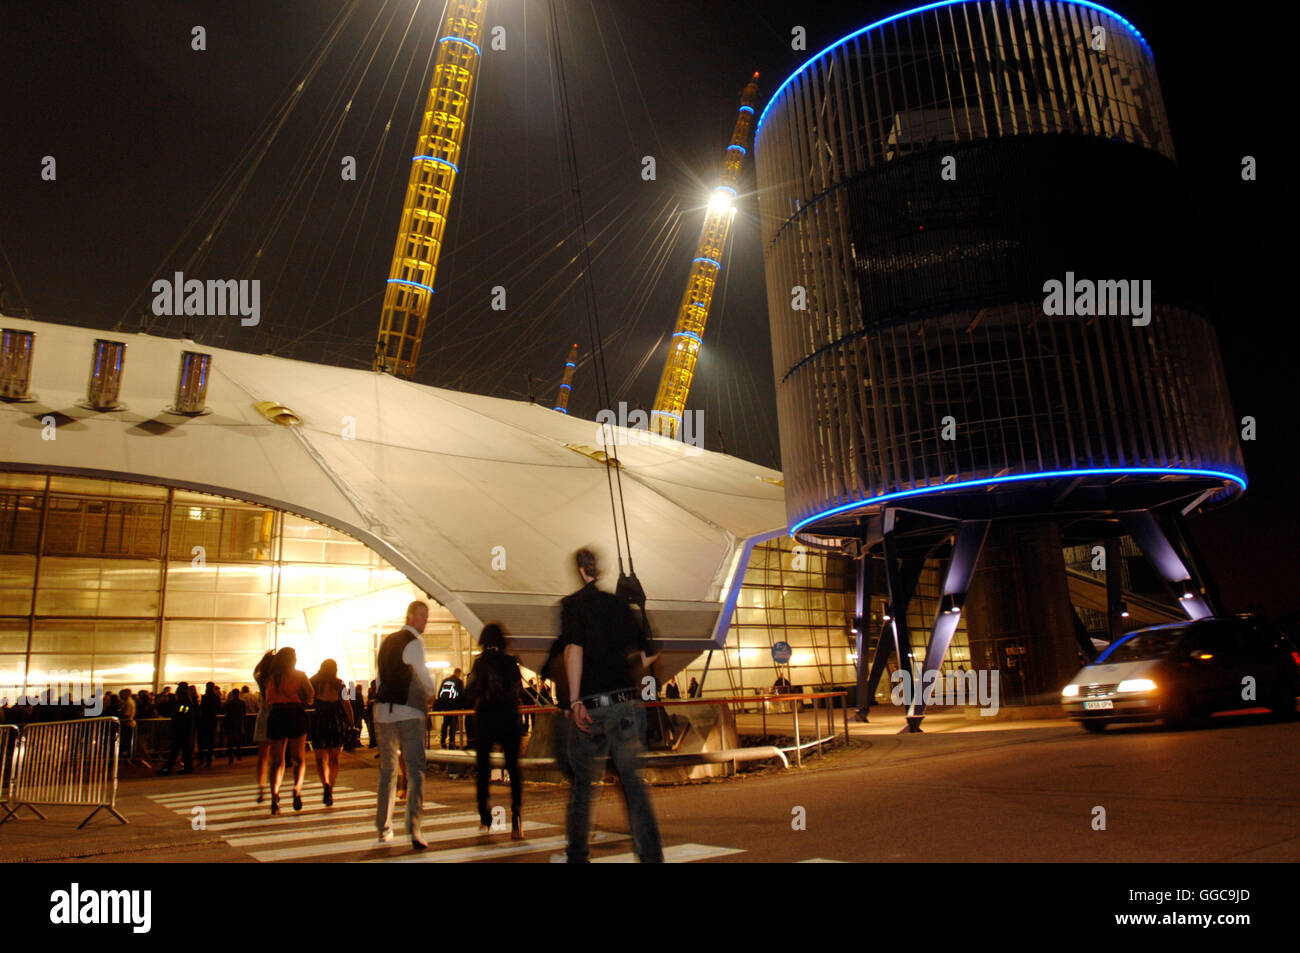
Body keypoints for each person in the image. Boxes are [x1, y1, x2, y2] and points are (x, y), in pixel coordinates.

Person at [560, 548, 663, 863]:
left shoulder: (573, 605)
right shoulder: (619, 605)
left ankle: (578, 855)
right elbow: (650, 652)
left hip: (593, 706)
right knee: (634, 785)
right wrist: (626, 667)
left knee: (584, 786)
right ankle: (651, 857)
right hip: (627, 705)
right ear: (599, 569)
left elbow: (574, 650)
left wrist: (575, 699)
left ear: (581, 571)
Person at [374, 601, 437, 850]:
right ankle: (414, 829)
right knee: (416, 770)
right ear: (410, 617)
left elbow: (379, 678)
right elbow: (423, 676)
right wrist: (431, 693)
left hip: (383, 712)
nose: (425, 621)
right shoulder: (414, 642)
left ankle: (383, 829)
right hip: (409, 711)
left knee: (387, 772)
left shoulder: (387, 641)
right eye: (422, 616)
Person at [466, 623, 525, 840]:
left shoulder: (480, 663)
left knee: (483, 769)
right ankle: (516, 818)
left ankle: (485, 816)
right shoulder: (510, 662)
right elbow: (518, 689)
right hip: (508, 719)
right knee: (513, 768)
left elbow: (471, 690)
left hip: (486, 719)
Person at [265, 648, 314, 815]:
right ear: (292, 659)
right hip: (295, 714)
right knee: (298, 758)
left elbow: (268, 700)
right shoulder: (300, 675)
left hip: (277, 715)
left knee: (277, 761)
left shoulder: (272, 677)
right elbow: (310, 695)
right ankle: (296, 789)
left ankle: (274, 796)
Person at [309, 659, 351, 806]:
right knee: (334, 758)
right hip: (335, 719)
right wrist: (351, 721)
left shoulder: (314, 681)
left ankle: (325, 784)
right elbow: (347, 703)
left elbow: (307, 699)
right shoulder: (340, 684)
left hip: (319, 719)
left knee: (320, 759)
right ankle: (330, 787)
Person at [158, 681, 196, 776]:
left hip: (182, 728)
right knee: (181, 749)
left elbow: (182, 715)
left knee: (178, 749)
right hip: (183, 728)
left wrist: (177, 723)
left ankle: (170, 768)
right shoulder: (186, 701)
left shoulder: (184, 702)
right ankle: (177, 767)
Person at [252, 653, 274, 803]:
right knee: (277, 755)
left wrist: (264, 658)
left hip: (263, 717)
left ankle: (261, 786)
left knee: (263, 755)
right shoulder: (277, 678)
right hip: (276, 715)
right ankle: (274, 788)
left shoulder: (261, 679)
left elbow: (255, 671)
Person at [436, 668, 465, 749]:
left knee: (445, 723)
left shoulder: (445, 680)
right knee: (453, 724)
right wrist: (461, 706)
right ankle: (452, 742)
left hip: (445, 707)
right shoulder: (459, 682)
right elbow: (461, 695)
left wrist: (441, 705)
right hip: (454, 706)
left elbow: (440, 693)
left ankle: (443, 741)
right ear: (458, 673)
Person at [198, 682, 220, 768]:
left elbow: (201, 708)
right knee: (210, 741)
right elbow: (219, 708)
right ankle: (209, 760)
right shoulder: (216, 697)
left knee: (201, 740)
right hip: (212, 720)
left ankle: (201, 759)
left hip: (204, 720)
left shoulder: (205, 697)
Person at [223, 685, 246, 762]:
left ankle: (230, 756)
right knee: (238, 739)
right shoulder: (242, 703)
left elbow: (225, 711)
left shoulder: (229, 703)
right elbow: (244, 712)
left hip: (230, 722)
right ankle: (239, 753)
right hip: (239, 722)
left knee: (230, 740)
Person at [118, 688, 136, 761]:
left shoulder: (128, 703)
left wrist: (119, 715)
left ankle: (127, 756)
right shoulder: (128, 702)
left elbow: (126, 714)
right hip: (127, 723)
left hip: (127, 724)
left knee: (126, 740)